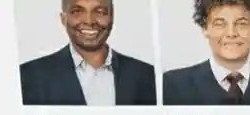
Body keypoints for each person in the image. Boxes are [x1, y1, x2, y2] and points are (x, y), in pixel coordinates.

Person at [20, 0, 157, 106]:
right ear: (63, 18)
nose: (89, 21)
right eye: (77, 11)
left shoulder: (146, 76)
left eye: (100, 12)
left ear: (112, 16)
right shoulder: (29, 77)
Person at [162, 0, 250, 106]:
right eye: (219, 24)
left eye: (242, 24)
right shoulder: (174, 84)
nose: (231, 33)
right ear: (205, 29)